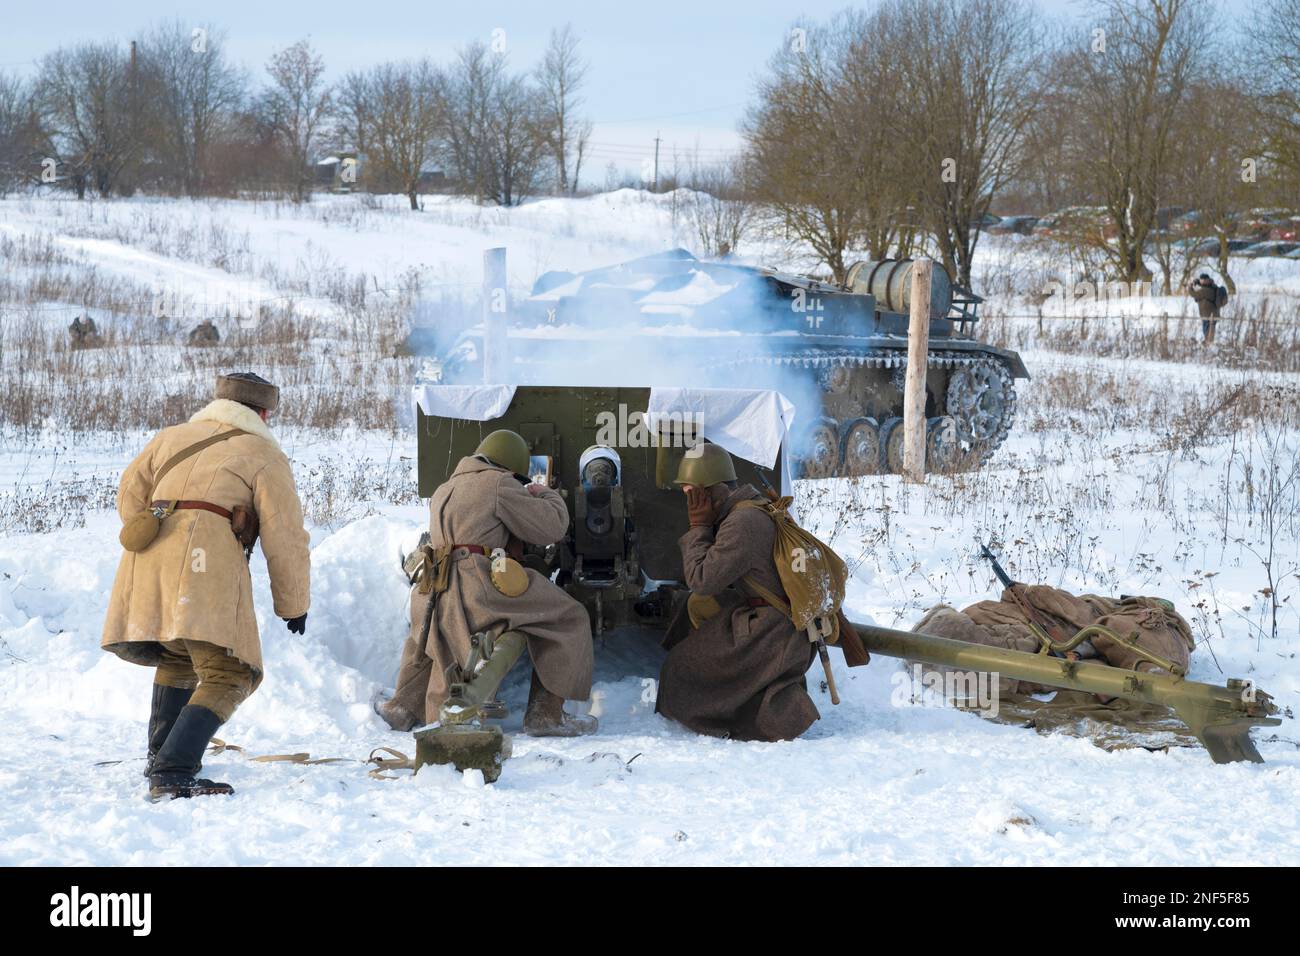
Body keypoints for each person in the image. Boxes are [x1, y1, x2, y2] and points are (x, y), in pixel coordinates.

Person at [101, 372, 311, 800]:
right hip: (204, 565)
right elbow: (284, 535)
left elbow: (128, 501)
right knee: (230, 673)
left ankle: (161, 756)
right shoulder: (263, 453)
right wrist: (293, 604)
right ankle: (173, 770)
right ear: (265, 412)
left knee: (179, 656)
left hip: (146, 557)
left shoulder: (170, 437)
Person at [376, 429, 596, 736]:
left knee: (429, 638)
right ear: (508, 465)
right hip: (477, 587)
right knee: (569, 616)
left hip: (433, 589)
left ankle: (404, 707)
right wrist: (541, 492)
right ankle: (546, 715)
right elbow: (551, 527)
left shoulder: (445, 488)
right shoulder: (498, 483)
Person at [655, 443, 820, 741]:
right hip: (773, 620)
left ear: (712, 491)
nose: (687, 499)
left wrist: (698, 527)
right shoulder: (751, 506)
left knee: (678, 669)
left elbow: (702, 579)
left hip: (772, 631)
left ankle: (752, 712)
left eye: (692, 492)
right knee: (694, 606)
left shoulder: (742, 523)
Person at [1188, 272, 1226, 343]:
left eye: (1202, 280)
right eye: (1200, 280)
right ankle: (1208, 342)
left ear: (1206, 280)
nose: (1201, 281)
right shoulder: (1212, 286)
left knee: (1207, 330)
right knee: (1209, 329)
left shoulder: (1206, 290)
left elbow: (1194, 294)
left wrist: (1190, 287)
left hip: (1208, 315)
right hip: (1212, 314)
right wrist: (1196, 281)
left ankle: (1208, 343)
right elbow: (1201, 285)